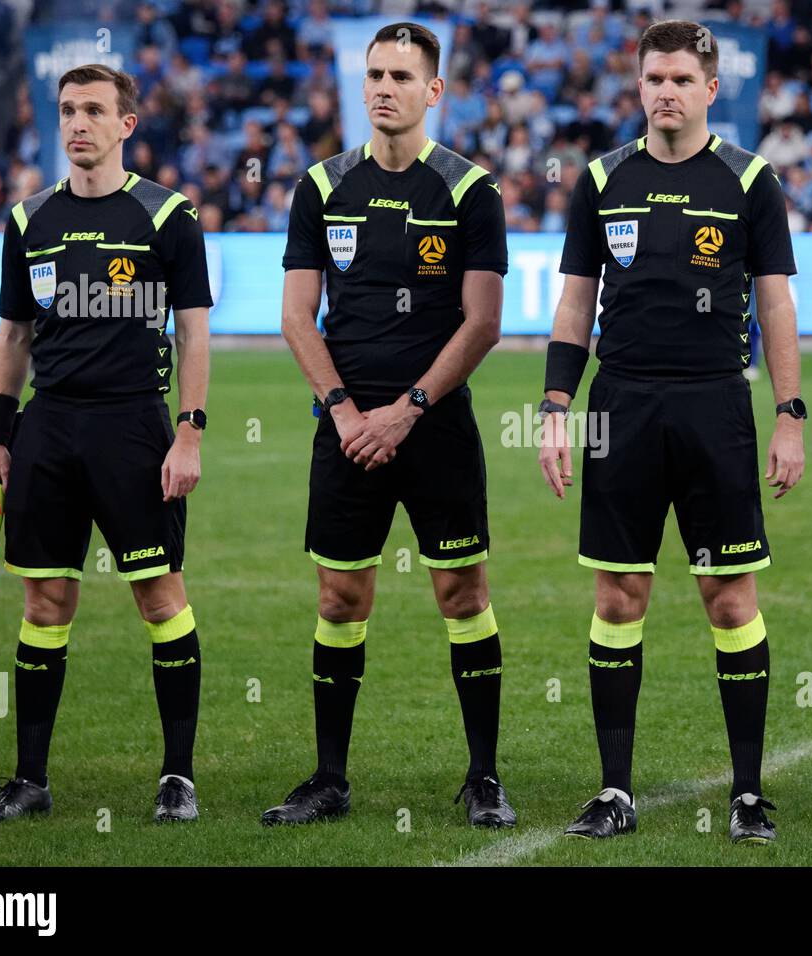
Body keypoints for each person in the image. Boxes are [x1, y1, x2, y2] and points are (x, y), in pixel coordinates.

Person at [539, 19, 803, 844]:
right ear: (640, 85)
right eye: (654, 79)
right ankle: (614, 793)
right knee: (619, 592)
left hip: (716, 406)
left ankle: (749, 794)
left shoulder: (750, 180)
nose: (665, 92)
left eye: (682, 80)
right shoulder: (601, 179)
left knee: (729, 599)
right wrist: (555, 406)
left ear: (711, 89)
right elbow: (577, 299)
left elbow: (777, 305)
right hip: (621, 406)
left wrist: (789, 416)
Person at [266, 22, 514, 829]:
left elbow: (482, 323)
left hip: (433, 424)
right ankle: (329, 779)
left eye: (402, 76)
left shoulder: (471, 191)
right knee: (339, 597)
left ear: (434, 91)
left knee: (461, 591)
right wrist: (344, 410)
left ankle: (483, 777)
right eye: (374, 73)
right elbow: (297, 315)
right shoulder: (321, 186)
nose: (384, 87)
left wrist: (407, 410)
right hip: (345, 428)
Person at [0, 64, 212, 824]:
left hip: (135, 427)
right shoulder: (28, 220)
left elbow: (195, 331)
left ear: (126, 125)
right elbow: (13, 334)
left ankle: (177, 778)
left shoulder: (168, 216)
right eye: (68, 111)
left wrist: (189, 431)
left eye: (94, 111)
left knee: (159, 597)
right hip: (48, 428)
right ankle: (30, 781)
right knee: (45, 601)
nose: (78, 124)